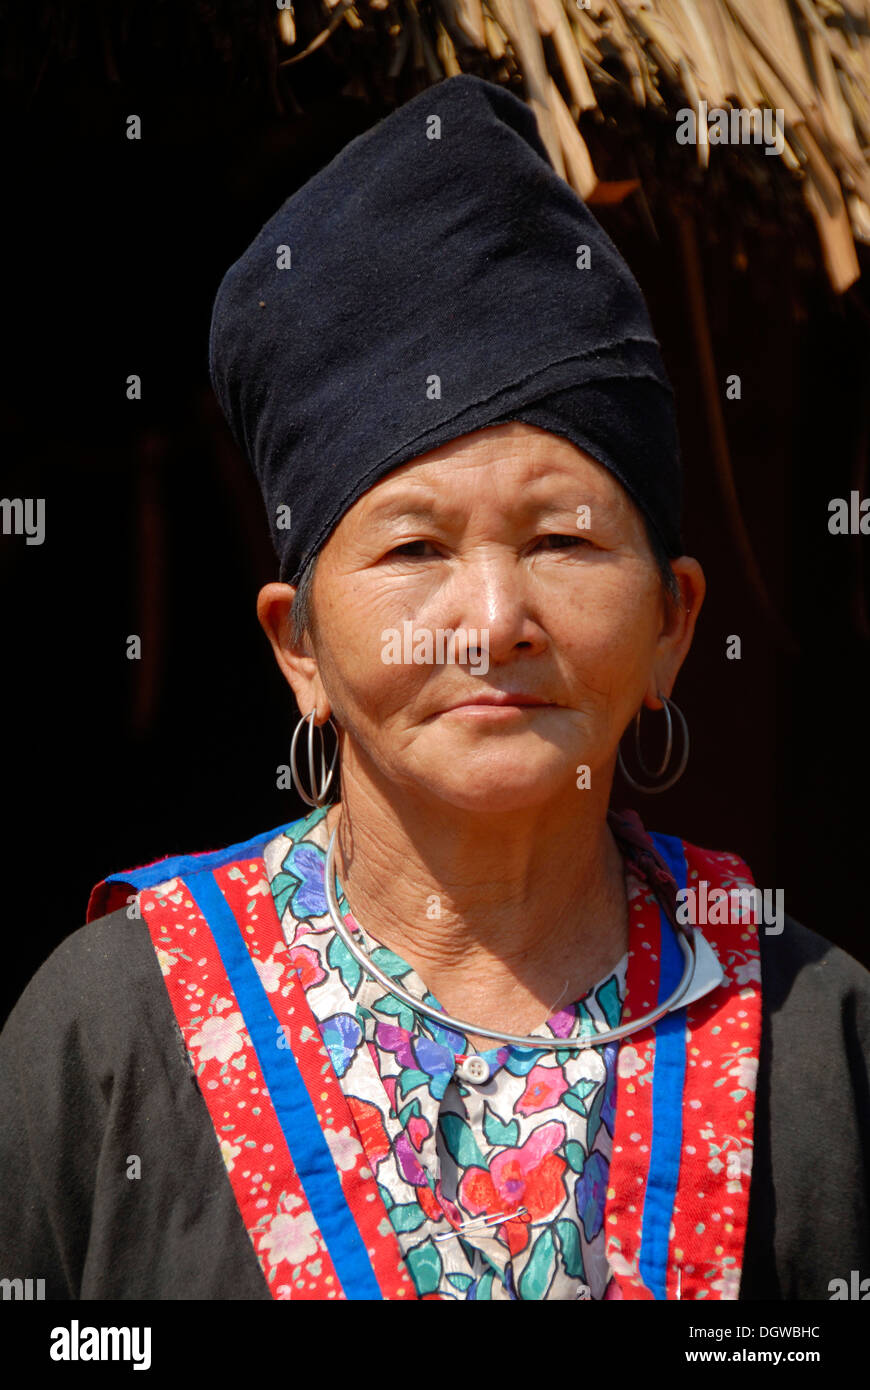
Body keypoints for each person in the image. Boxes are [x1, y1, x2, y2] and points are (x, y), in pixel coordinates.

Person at [1, 74, 868, 1302]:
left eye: (563, 540)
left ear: (675, 624)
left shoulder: (819, 1034)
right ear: (297, 644)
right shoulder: (106, 1028)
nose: (498, 621)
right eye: (414, 549)